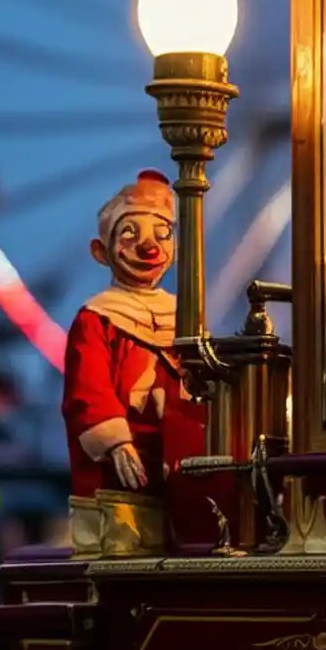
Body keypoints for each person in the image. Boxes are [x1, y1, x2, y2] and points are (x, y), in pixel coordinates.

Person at [60, 169, 207, 554]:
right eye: (130, 234)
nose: (149, 247)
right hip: (124, 468)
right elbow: (87, 388)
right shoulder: (97, 318)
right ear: (100, 250)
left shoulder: (185, 314)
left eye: (163, 235)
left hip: (180, 461)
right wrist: (114, 441)